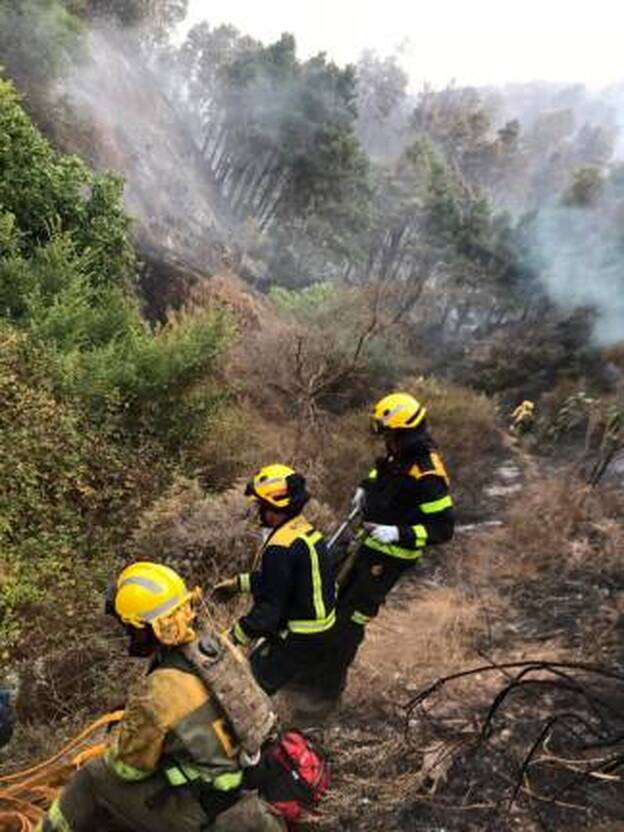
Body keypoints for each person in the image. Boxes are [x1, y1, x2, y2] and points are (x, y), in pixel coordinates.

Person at [37, 561, 285, 832]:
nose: (126, 633)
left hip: (202, 812)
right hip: (244, 786)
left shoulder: (158, 691)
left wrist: (123, 735)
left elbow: (126, 769)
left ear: (146, 629)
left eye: (129, 626)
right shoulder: (217, 647)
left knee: (92, 776)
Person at [323, 392, 455, 698]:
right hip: (365, 544)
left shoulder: (428, 473)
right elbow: (380, 473)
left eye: (389, 434)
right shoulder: (398, 455)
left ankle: (323, 695)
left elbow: (443, 528)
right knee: (329, 600)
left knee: (348, 623)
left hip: (388, 561)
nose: (386, 440)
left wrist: (397, 533)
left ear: (404, 432)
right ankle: (308, 669)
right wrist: (364, 488)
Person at [213, 464, 336, 696]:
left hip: (299, 636)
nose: (259, 512)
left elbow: (270, 610)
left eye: (261, 505)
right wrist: (240, 583)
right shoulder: (303, 531)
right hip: (319, 629)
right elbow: (282, 582)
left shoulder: (280, 547)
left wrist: (233, 636)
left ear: (273, 508)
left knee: (251, 688)